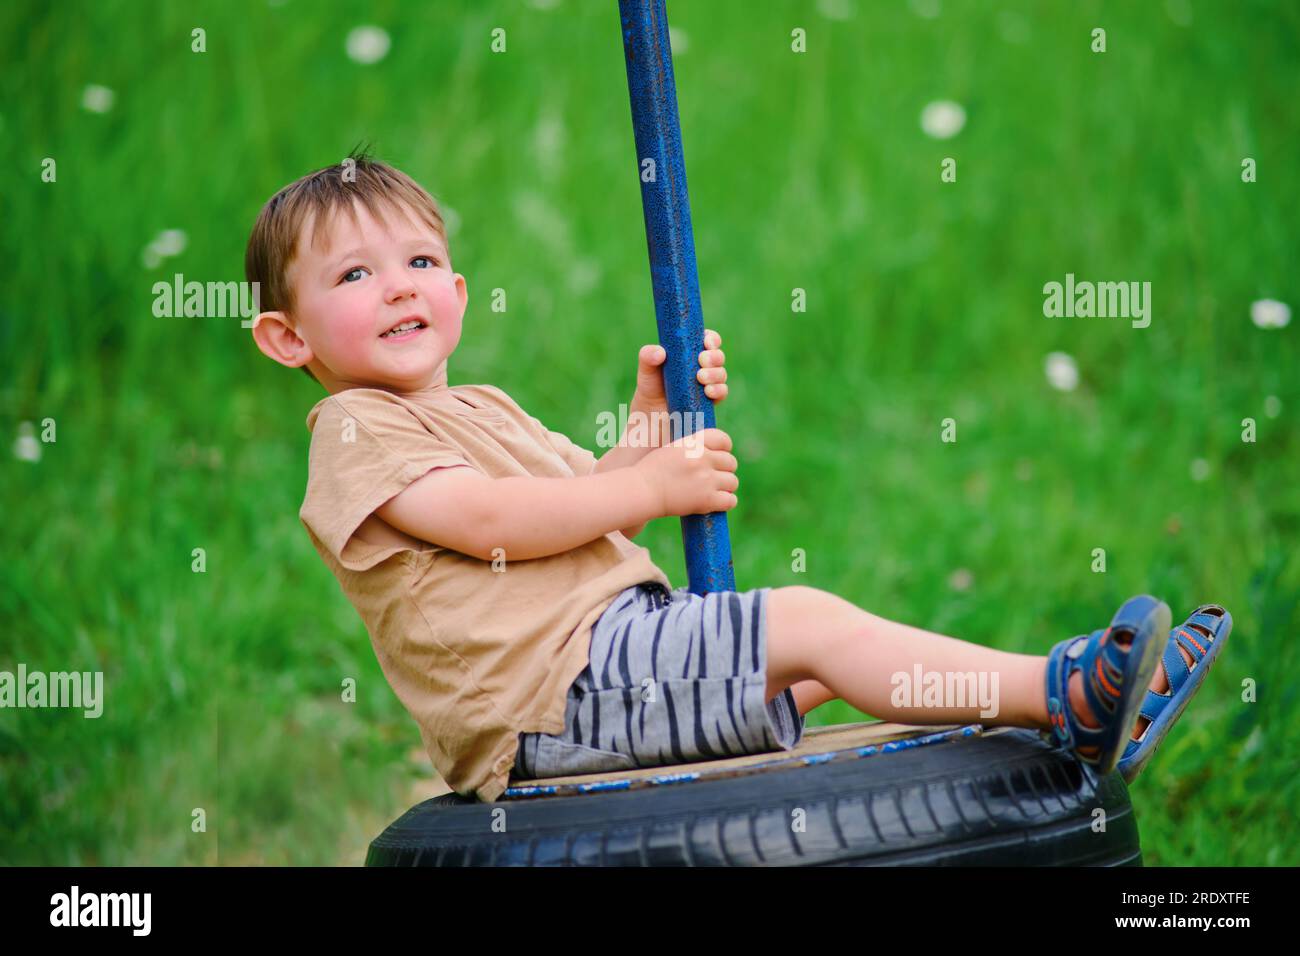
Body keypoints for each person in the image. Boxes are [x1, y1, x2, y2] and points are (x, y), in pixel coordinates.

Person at [246, 151, 1230, 802]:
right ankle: (1065, 691)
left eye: (419, 259)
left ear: (457, 292)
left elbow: (590, 502)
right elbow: (495, 518)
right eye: (354, 276)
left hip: (608, 662)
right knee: (801, 621)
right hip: (548, 703)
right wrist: (652, 485)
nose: (399, 284)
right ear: (287, 337)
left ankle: (1056, 727)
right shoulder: (351, 428)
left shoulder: (481, 408)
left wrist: (657, 415)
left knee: (807, 667)